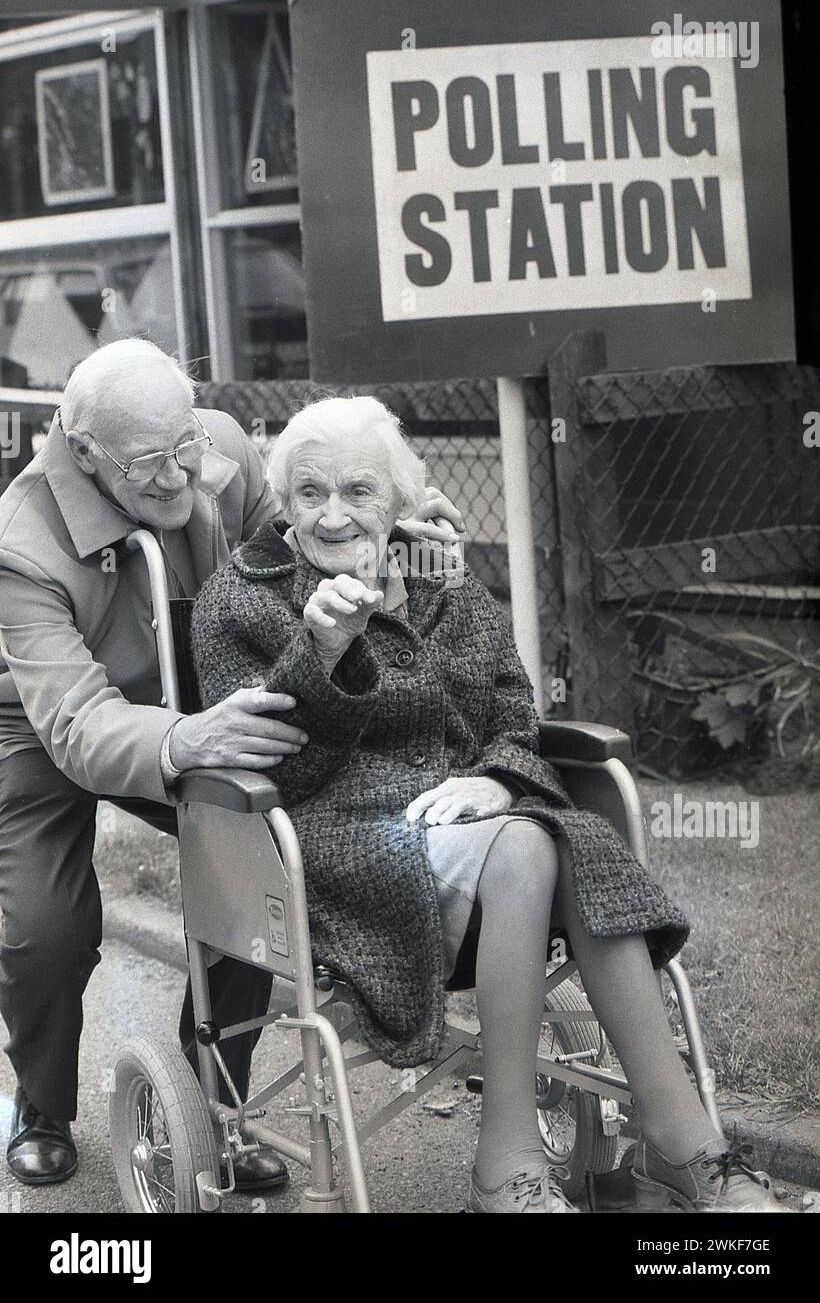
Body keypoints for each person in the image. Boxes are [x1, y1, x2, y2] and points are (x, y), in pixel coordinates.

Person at [191, 394, 787, 1215]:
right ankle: (506, 1161)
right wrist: (321, 652)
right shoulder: (240, 599)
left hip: (479, 824)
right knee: (534, 846)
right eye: (309, 492)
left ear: (399, 501)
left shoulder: (438, 578)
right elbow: (273, 777)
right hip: (335, 841)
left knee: (562, 842)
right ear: (283, 499)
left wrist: (500, 777)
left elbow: (512, 707)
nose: (333, 516)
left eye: (359, 492)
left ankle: (688, 1149)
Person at [0, 339, 464, 1189]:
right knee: (44, 929)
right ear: (86, 450)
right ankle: (41, 1103)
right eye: (154, 465)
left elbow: (288, 557)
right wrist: (183, 740)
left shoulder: (209, 445)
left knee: (254, 856)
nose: (184, 476)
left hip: (196, 685)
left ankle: (215, 1117)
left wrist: (386, 527)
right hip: (48, 720)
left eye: (189, 449)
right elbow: (79, 725)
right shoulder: (22, 546)